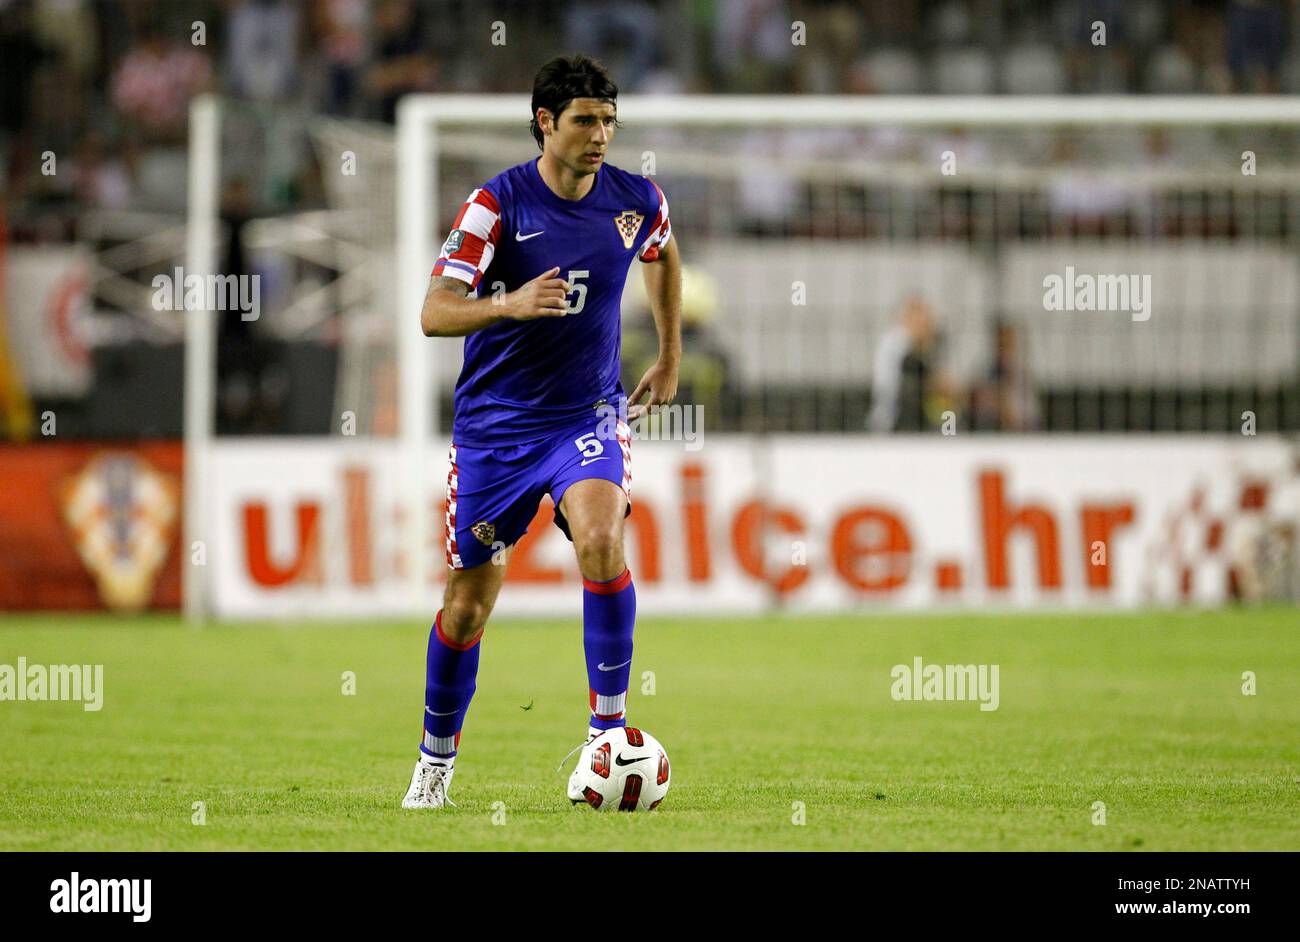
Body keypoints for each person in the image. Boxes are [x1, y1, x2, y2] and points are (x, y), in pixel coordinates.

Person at [402, 55, 682, 809]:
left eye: (609, 120)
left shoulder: (635, 199)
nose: (601, 135)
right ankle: (435, 762)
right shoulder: (496, 205)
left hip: (585, 416)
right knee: (467, 607)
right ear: (545, 124)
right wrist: (509, 304)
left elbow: (661, 251)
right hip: (495, 433)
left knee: (600, 536)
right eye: (585, 120)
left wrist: (670, 354)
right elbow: (433, 312)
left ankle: (608, 731)